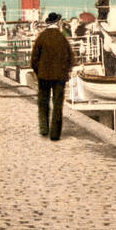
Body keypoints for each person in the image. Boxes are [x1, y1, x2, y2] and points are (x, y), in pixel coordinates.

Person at [31, 12, 73, 140]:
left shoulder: (41, 37)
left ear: (48, 23)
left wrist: (39, 72)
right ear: (58, 23)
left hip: (44, 76)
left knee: (43, 102)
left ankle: (44, 129)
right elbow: (71, 58)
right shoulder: (62, 38)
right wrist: (66, 71)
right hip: (59, 77)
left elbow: (34, 59)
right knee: (57, 105)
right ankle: (55, 134)